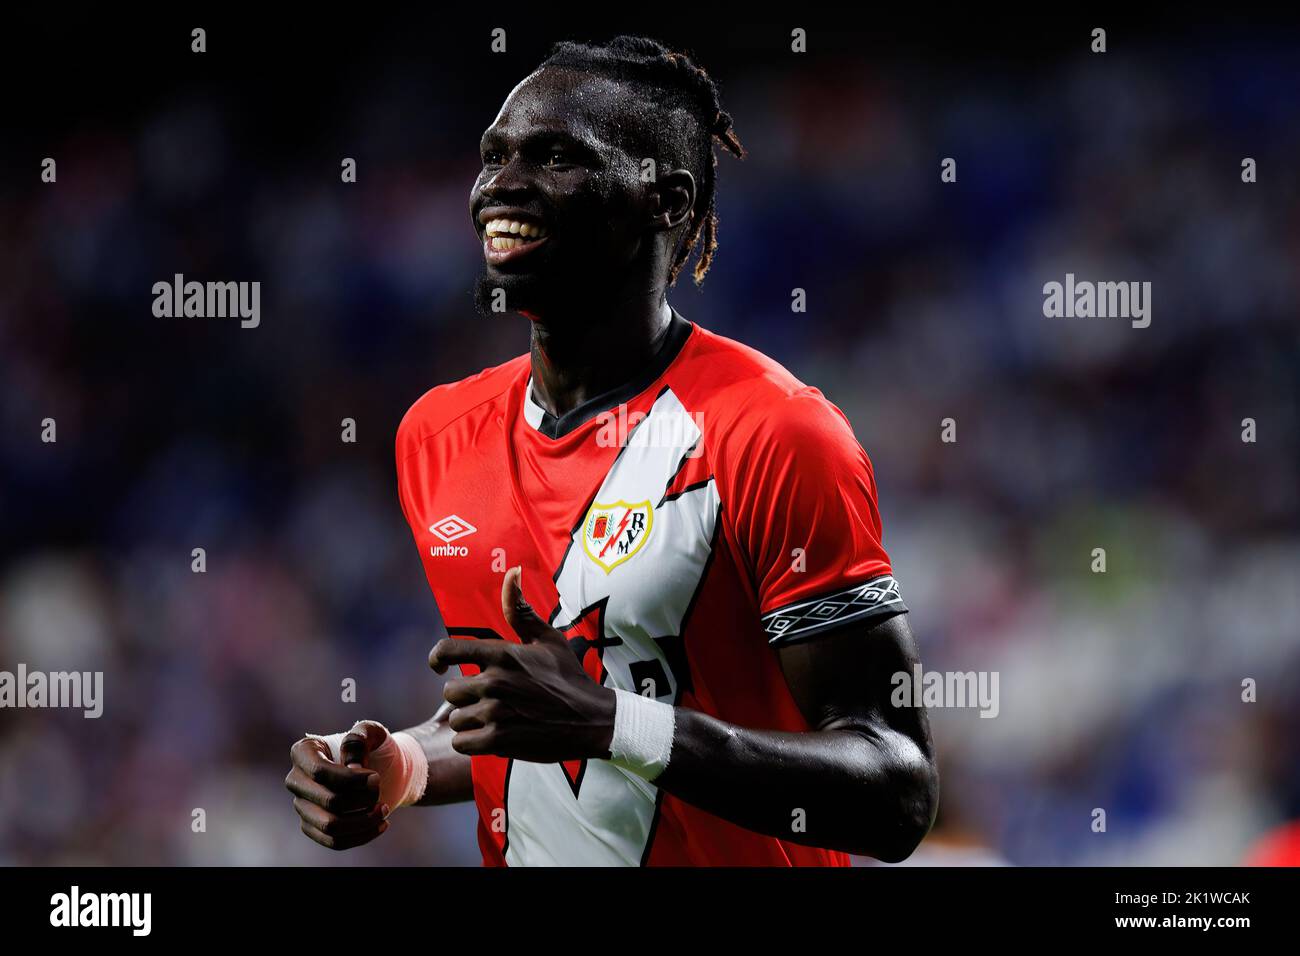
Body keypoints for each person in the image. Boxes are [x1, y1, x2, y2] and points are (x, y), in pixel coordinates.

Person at [286, 35, 938, 866]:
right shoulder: (436, 436)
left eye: (555, 157)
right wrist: (402, 765)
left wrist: (609, 721)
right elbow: (537, 717)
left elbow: (897, 791)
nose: (502, 186)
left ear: (665, 200)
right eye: (494, 155)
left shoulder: (774, 432)